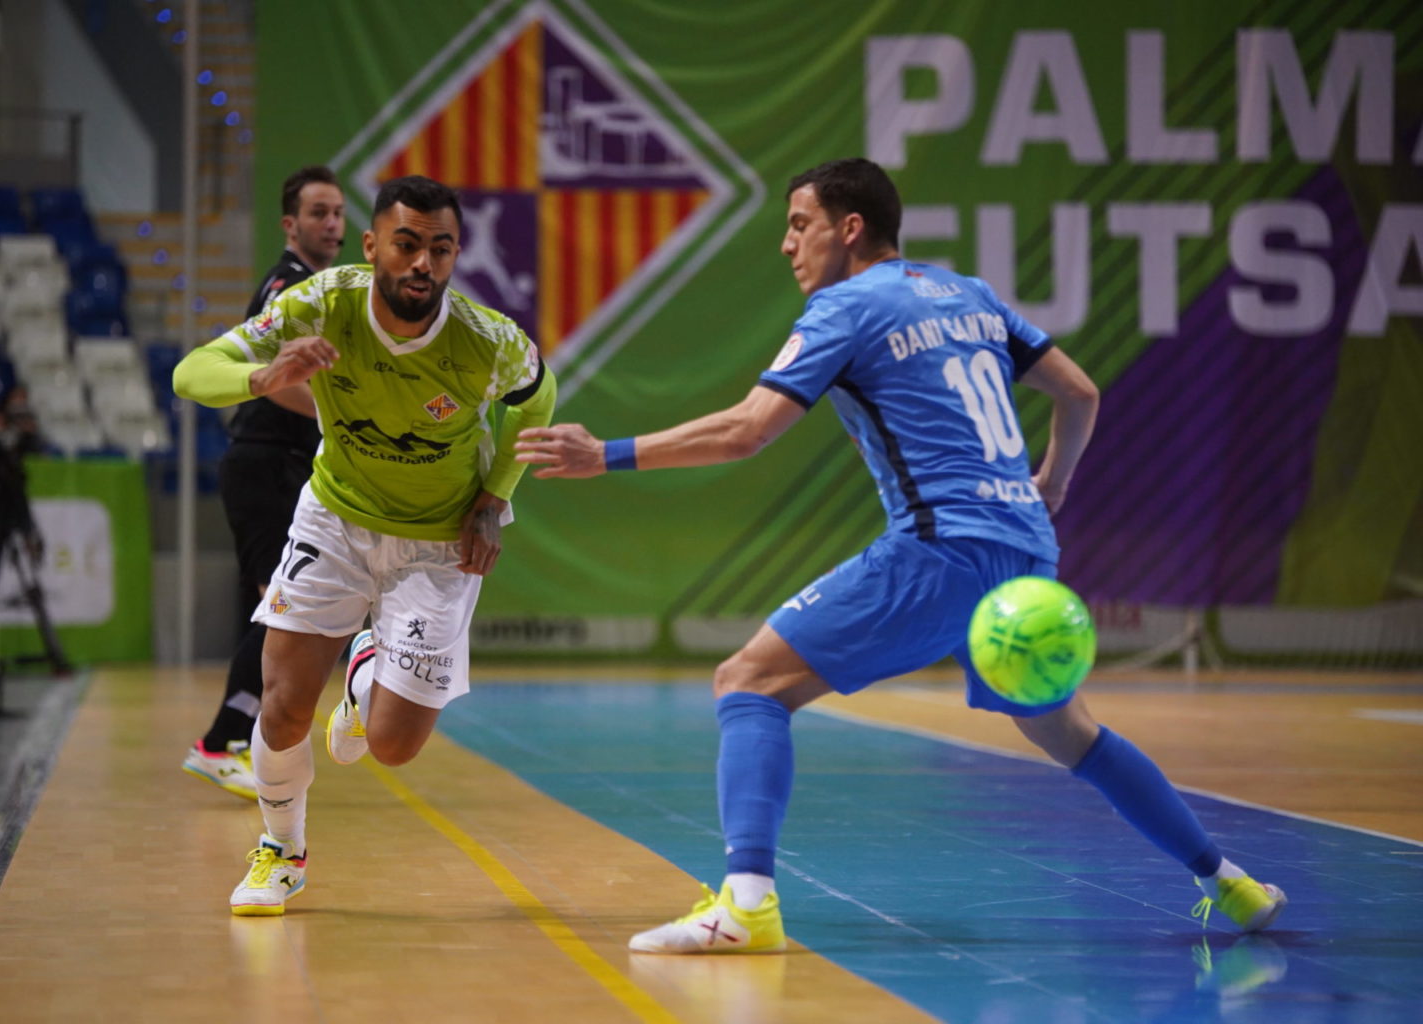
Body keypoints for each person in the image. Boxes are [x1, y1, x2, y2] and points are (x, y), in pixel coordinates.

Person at [515, 158, 1287, 953]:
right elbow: (1080, 392)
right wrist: (1050, 483)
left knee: (748, 682)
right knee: (1071, 735)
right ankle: (1230, 884)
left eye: (799, 224)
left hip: (940, 551)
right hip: (1025, 554)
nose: (787, 245)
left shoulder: (844, 308)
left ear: (850, 229)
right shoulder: (969, 293)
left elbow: (748, 430)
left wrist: (604, 453)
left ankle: (745, 907)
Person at [173, 174, 556, 916]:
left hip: (439, 542)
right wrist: (263, 375)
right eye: (407, 244)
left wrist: (496, 497)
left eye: (440, 249)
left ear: (453, 256)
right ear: (373, 244)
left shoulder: (486, 341)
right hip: (336, 518)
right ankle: (282, 851)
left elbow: (537, 400)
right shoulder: (321, 301)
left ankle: (367, 665)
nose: (423, 263)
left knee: (390, 747)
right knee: (282, 704)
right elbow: (194, 373)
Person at [181, 165, 346, 801]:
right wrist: (350, 420)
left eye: (337, 213)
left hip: (286, 465)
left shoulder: (321, 287)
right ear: (290, 224)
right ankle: (220, 743)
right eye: (318, 213)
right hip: (266, 461)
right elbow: (282, 383)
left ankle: (229, 738)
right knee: (285, 611)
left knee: (288, 612)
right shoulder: (290, 287)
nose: (331, 224)